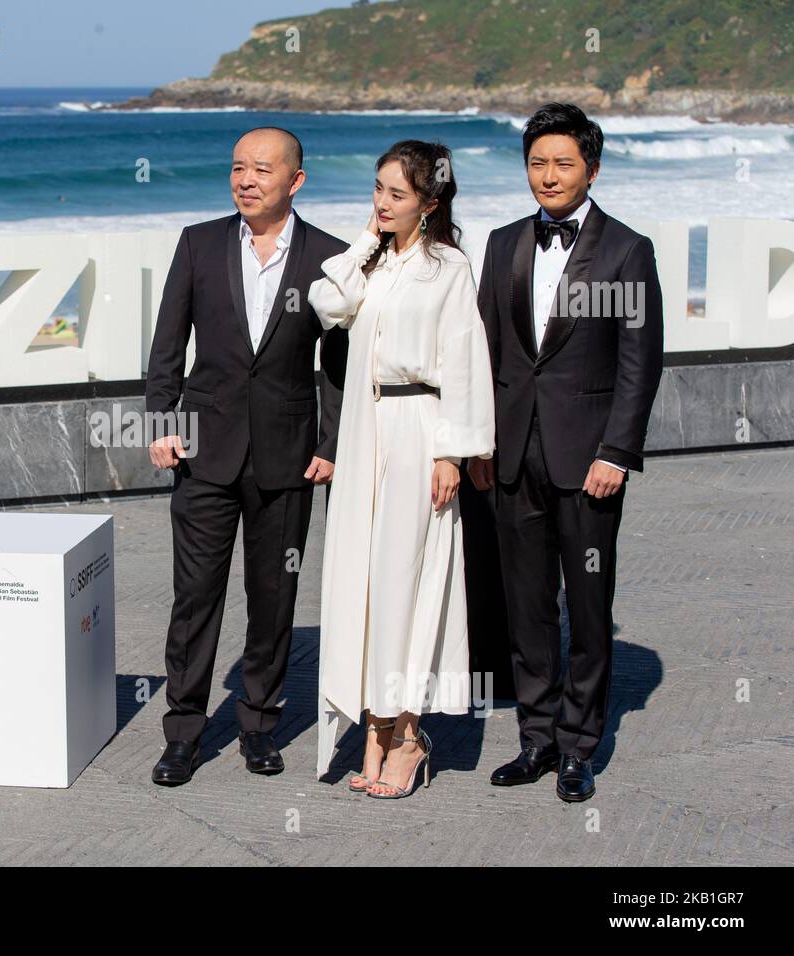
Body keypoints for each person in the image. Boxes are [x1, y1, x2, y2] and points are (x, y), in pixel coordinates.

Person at [468, 103, 664, 802]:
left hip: (589, 464)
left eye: (563, 163)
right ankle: (537, 739)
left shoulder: (626, 250)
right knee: (525, 611)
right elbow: (486, 353)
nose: (547, 176)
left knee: (586, 605)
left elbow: (641, 362)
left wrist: (617, 451)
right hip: (513, 456)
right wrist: (479, 443)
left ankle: (580, 746)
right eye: (537, 163)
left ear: (592, 168)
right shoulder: (502, 243)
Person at [145, 127, 350, 786]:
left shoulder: (331, 257)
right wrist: (161, 421)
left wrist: (331, 443)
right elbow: (168, 344)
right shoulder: (198, 243)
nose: (245, 180)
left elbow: (338, 367)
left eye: (262, 169)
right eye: (237, 168)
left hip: (288, 457)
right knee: (194, 598)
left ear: (295, 180)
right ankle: (183, 732)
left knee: (274, 596)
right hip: (203, 451)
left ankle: (259, 723)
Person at [309, 141, 494, 799]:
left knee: (407, 582)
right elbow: (327, 304)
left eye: (397, 194)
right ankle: (372, 727)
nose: (382, 203)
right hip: (365, 430)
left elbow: (465, 358)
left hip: (420, 430)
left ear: (430, 202)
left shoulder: (449, 267)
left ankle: (406, 733)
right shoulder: (371, 264)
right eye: (378, 189)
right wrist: (368, 239)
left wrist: (453, 451)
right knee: (361, 577)